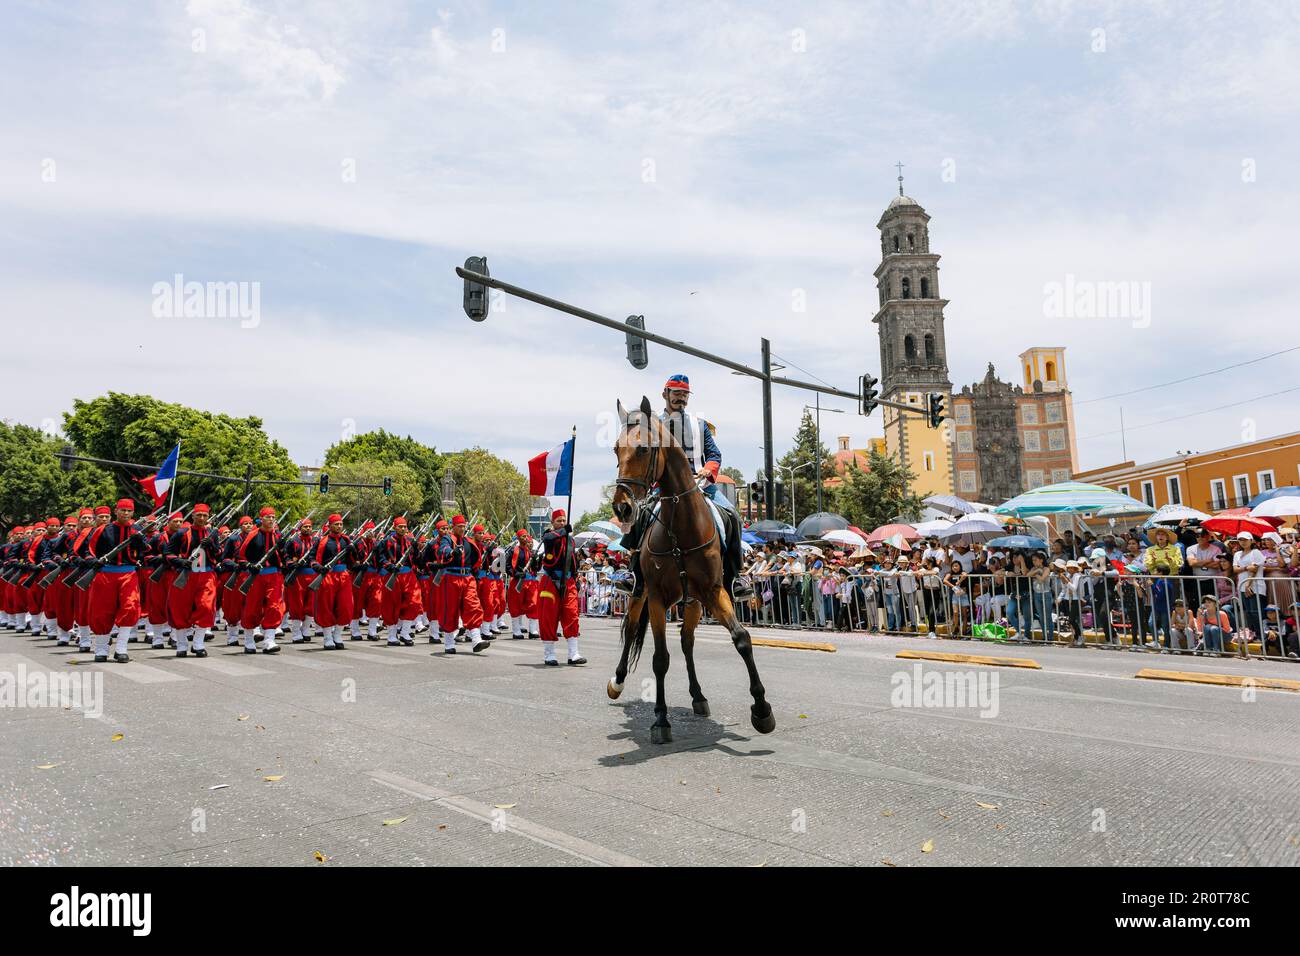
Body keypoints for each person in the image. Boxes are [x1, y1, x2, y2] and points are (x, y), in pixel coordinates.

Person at [616, 374, 752, 601]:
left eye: (685, 394)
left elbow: (715, 454)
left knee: (733, 516)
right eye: (676, 393)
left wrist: (709, 469)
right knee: (640, 518)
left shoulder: (700, 425)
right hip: (665, 489)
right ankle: (634, 574)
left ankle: (736, 577)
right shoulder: (653, 424)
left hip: (702, 487)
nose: (681, 398)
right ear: (665, 394)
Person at [85, 499, 150, 663]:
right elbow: (88, 550)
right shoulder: (102, 530)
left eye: (129, 511)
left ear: (133, 513)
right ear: (116, 511)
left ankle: (121, 649)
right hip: (105, 575)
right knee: (101, 611)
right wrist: (93, 560)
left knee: (130, 607)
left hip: (128, 574)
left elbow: (146, 550)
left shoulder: (136, 530)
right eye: (122, 510)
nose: (125, 514)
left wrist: (140, 542)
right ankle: (101, 649)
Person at [163, 503, 222, 657]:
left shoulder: (212, 534)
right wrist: (182, 562)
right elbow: (168, 553)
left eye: (205, 515)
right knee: (180, 609)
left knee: (206, 607)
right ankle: (181, 645)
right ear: (193, 516)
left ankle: (198, 644)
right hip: (186, 574)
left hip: (206, 574)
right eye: (199, 515)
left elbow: (219, 555)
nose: (202, 518)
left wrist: (212, 546)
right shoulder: (181, 533)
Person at [434, 515, 490, 655]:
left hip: (467, 578)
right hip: (452, 578)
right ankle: (449, 643)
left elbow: (475, 560)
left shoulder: (468, 542)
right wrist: (451, 552)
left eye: (464, 526)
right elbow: (443, 550)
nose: (462, 529)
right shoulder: (448, 538)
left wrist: (475, 576)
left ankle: (476, 639)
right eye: (459, 526)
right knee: (450, 609)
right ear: (453, 527)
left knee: (473, 606)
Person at [537, 509, 585, 665]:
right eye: (559, 521)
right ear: (553, 523)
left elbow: (572, 559)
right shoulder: (549, 535)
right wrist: (563, 531)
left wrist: (575, 576)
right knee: (549, 617)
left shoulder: (570, 540)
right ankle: (549, 654)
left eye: (564, 520)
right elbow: (548, 539)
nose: (562, 523)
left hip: (568, 580)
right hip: (551, 580)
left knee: (572, 614)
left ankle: (574, 654)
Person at [235, 507, 284, 654]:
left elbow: (284, 556)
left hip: (274, 576)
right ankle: (249, 640)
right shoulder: (252, 535)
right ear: (261, 519)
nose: (271, 520)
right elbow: (240, 557)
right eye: (268, 517)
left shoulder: (278, 536)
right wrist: (250, 566)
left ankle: (269, 640)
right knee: (252, 608)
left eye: (273, 517)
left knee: (274, 607)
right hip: (255, 577)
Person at [311, 514, 355, 650]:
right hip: (328, 576)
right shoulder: (322, 541)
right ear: (329, 526)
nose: (339, 526)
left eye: (341, 524)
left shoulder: (346, 540)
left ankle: (338, 634)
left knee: (345, 606)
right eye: (336, 524)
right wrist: (318, 567)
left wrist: (354, 551)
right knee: (326, 606)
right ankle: (328, 637)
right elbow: (312, 558)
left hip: (343, 576)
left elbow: (353, 561)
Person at [504, 529, 540, 639]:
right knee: (516, 605)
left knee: (534, 604)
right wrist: (515, 574)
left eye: (526, 536)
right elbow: (508, 566)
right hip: (518, 581)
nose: (525, 538)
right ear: (519, 538)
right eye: (523, 536)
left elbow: (536, 569)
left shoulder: (531, 553)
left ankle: (533, 630)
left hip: (531, 582)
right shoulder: (513, 551)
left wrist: (537, 560)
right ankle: (516, 630)